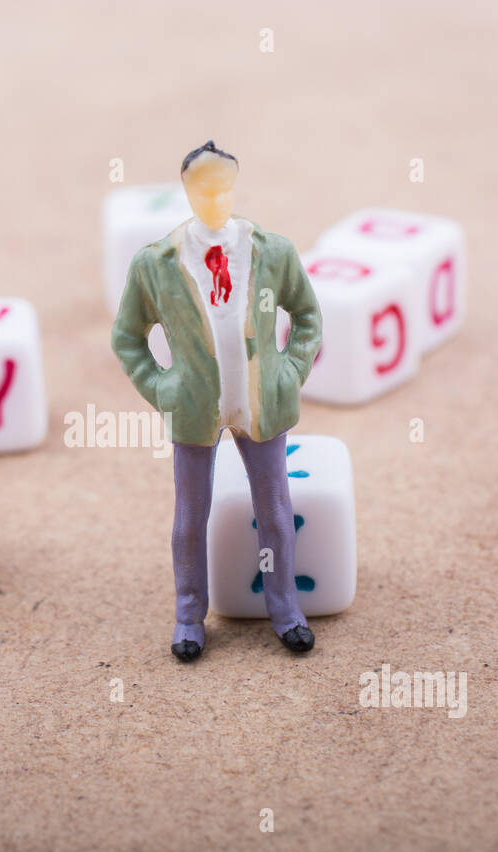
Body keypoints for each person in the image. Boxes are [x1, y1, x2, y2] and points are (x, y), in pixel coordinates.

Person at [111, 141, 323, 661]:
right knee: (190, 517)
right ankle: (189, 615)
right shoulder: (155, 264)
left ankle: (285, 608)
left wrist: (291, 372)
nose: (215, 199)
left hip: (262, 406)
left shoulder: (272, 252)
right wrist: (162, 388)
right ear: (186, 192)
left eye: (223, 187)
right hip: (193, 408)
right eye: (203, 190)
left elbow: (308, 317)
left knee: (274, 510)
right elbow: (127, 337)